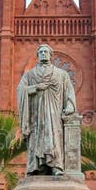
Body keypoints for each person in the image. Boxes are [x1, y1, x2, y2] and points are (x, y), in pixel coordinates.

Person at [17, 44, 76, 175]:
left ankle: (56, 166)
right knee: (37, 137)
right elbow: (20, 90)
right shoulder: (29, 75)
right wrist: (36, 88)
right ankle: (39, 166)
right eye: (41, 52)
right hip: (36, 115)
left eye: (46, 52)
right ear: (37, 56)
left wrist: (70, 105)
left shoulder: (61, 74)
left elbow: (69, 91)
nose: (43, 54)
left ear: (50, 55)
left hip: (54, 114)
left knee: (54, 136)